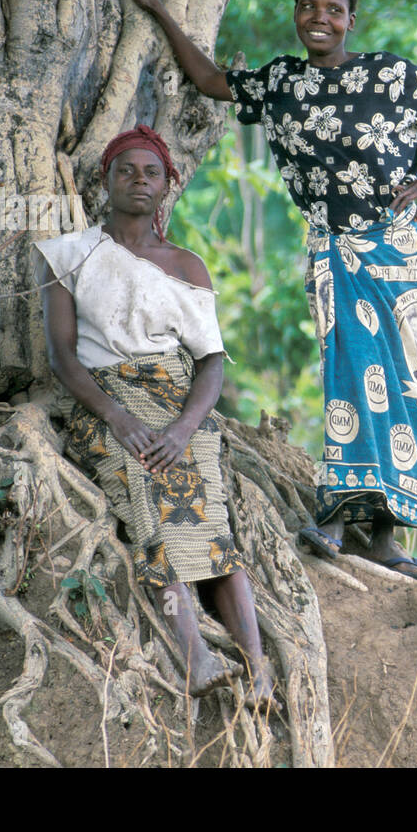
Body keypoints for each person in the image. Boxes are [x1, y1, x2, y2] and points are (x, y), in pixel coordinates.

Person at [121, 0, 417, 581]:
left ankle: (387, 536)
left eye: (334, 10)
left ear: (350, 20)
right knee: (348, 379)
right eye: (309, 7)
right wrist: (158, 9)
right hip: (334, 252)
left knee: (407, 387)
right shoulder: (280, 83)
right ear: (296, 14)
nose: (321, 18)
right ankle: (337, 520)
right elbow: (210, 79)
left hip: (398, 252)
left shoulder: (388, 75)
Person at [34, 124, 277, 712]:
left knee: (212, 518)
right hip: (105, 402)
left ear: (167, 184)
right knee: (146, 492)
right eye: (126, 171)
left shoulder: (186, 266)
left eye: (151, 173)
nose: (139, 181)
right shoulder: (69, 256)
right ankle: (193, 653)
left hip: (179, 405)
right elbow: (63, 357)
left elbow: (212, 362)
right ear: (107, 180)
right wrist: (116, 416)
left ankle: (259, 668)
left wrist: (185, 428)